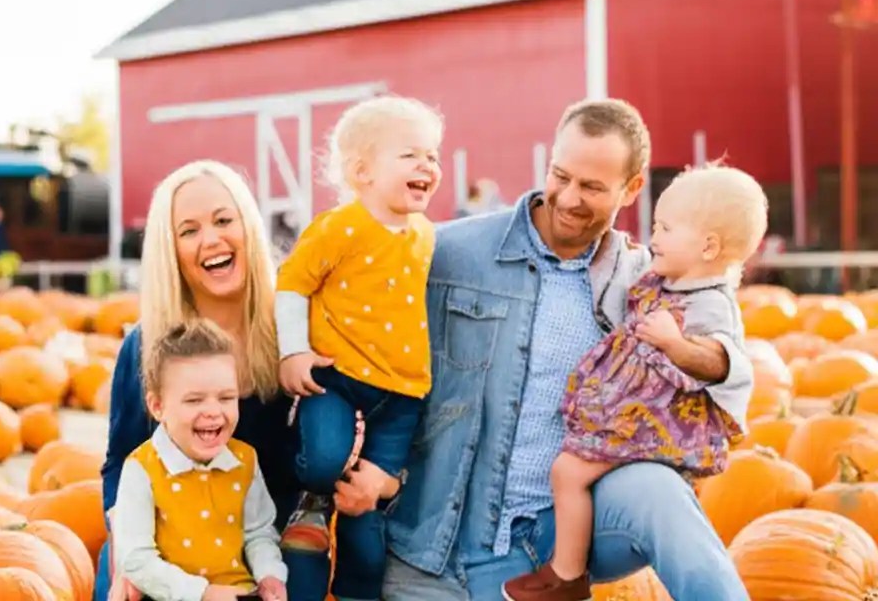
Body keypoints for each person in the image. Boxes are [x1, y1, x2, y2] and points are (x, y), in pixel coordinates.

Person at [376, 99, 753, 600]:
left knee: (659, 492)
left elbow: (723, 351)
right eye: (561, 176)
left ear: (632, 187)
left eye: (593, 187)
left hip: (562, 533)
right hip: (436, 547)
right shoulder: (450, 253)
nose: (570, 198)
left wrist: (699, 351)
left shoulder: (645, 282)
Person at [502, 163, 767, 600]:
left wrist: (674, 343)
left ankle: (566, 576)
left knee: (568, 473)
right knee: (571, 472)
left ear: (708, 246)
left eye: (665, 227)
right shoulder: (669, 283)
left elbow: (717, 358)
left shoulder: (711, 303)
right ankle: (565, 573)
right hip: (639, 420)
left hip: (656, 427)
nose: (654, 236)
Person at [97, 160, 339, 601]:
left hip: (267, 529)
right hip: (167, 534)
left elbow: (330, 437)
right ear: (171, 252)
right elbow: (119, 461)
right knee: (115, 585)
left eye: (224, 220)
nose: (211, 239)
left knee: (300, 579)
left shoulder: (294, 334)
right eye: (188, 231)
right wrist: (123, 552)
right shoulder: (147, 346)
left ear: (247, 226)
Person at [274, 96, 442, 601]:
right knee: (324, 461)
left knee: (366, 520)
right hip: (338, 376)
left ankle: (354, 588)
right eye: (410, 154)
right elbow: (291, 284)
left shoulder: (427, 235)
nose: (427, 166)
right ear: (363, 170)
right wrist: (293, 352)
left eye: (432, 156)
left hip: (402, 394)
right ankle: (308, 496)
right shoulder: (340, 227)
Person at [111, 318, 288, 601]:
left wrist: (270, 574)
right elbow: (136, 558)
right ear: (157, 406)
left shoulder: (244, 460)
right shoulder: (142, 468)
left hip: (237, 593)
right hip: (171, 594)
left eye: (226, 398)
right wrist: (201, 593)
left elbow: (259, 533)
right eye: (194, 400)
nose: (213, 412)